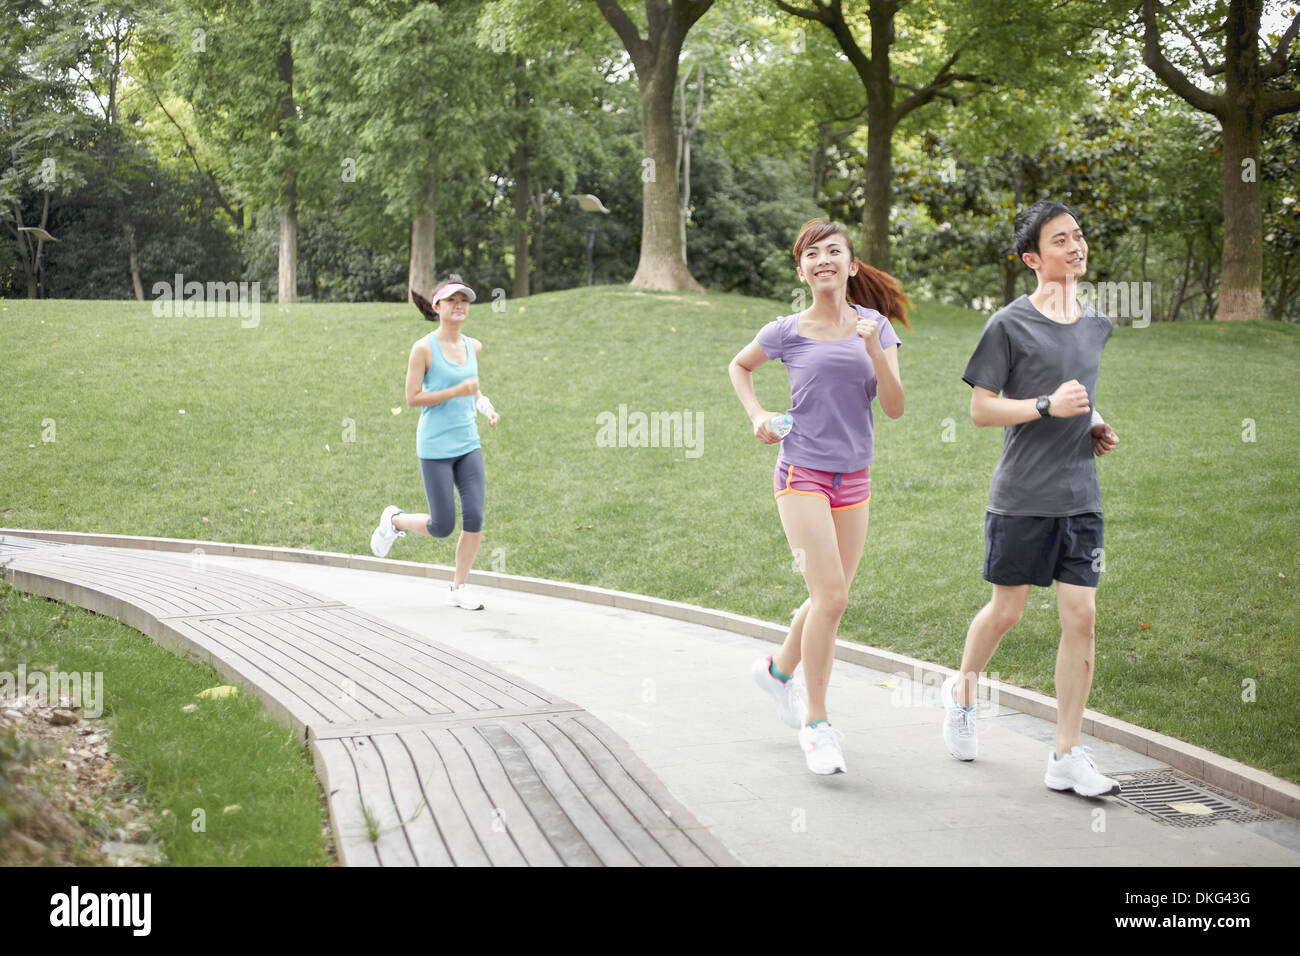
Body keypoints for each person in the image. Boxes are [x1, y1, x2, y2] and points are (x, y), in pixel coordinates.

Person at [942, 200, 1122, 797]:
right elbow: (981, 409)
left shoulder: (1097, 324)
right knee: (1008, 611)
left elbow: (1081, 392)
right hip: (1021, 496)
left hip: (1080, 497)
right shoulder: (1008, 324)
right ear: (1032, 258)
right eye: (1060, 240)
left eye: (1078, 235)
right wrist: (1046, 407)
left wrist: (1094, 420)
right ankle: (963, 693)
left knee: (1082, 617)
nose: (1076, 247)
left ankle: (1066, 754)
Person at [729, 219, 908, 775]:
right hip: (801, 472)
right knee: (831, 598)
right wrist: (758, 414)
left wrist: (876, 352)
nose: (824, 259)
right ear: (802, 270)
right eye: (813, 253)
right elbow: (739, 366)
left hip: (855, 477)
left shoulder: (875, 325)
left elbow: (896, 406)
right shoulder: (787, 330)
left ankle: (778, 671)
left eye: (835, 251)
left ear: (852, 266)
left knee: (827, 596)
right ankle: (818, 725)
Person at [369, 275, 500, 610]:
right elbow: (413, 398)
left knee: (475, 517)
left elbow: (474, 388)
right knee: (442, 526)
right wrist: (456, 392)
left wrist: (486, 408)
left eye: (465, 301)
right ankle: (394, 520)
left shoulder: (474, 346)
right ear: (437, 306)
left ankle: (459, 587)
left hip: (468, 444)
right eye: (452, 301)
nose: (459, 306)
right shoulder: (423, 348)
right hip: (435, 448)